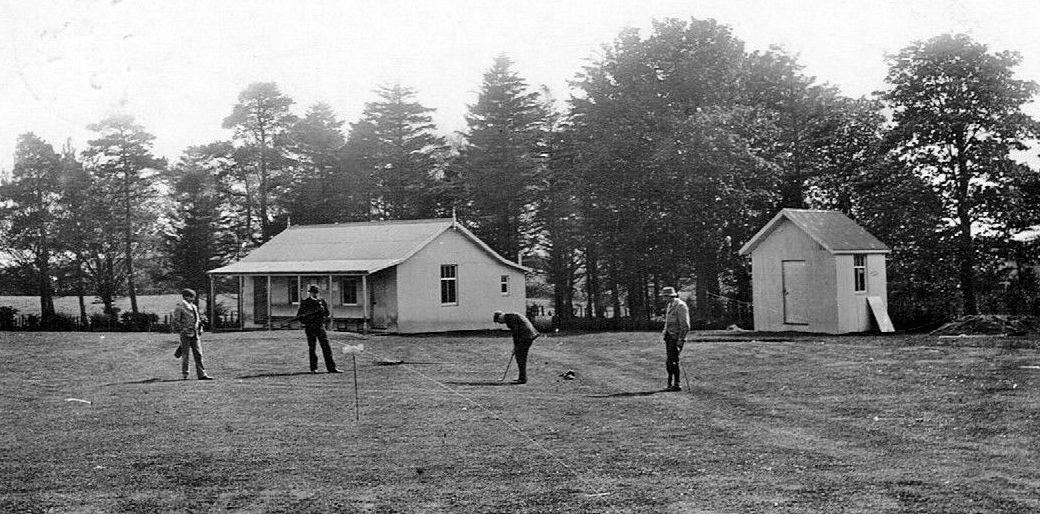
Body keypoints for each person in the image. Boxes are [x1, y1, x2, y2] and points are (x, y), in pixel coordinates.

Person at [171, 288, 213, 381]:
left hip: (195, 334)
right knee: (185, 355)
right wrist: (183, 329)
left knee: (198, 354)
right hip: (185, 334)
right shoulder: (180, 307)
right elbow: (176, 321)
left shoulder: (194, 307)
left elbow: (197, 319)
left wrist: (199, 327)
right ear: (186, 297)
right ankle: (185, 374)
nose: (193, 299)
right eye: (191, 297)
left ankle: (202, 374)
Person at [297, 284, 340, 374]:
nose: (315, 294)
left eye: (316, 292)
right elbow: (300, 316)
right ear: (310, 293)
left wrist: (321, 315)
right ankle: (314, 368)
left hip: (320, 327)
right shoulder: (305, 302)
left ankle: (331, 368)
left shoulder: (322, 301)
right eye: (313, 292)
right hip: (310, 328)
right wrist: (308, 320)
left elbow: (327, 313)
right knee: (312, 348)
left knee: (326, 347)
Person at [493, 310, 540, 384]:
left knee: (520, 357)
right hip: (528, 335)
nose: (501, 323)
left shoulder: (510, 318)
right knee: (520, 356)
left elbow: (516, 333)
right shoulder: (511, 316)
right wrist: (516, 346)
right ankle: (522, 377)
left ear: (499, 317)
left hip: (525, 337)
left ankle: (523, 378)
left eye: (499, 322)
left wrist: (516, 346)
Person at [660, 286, 690, 391]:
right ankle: (670, 383)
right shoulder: (669, 305)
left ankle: (677, 384)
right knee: (669, 361)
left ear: (670, 296)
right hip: (669, 336)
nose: (663, 298)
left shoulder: (681, 306)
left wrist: (680, 340)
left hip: (676, 337)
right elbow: (667, 322)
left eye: (665, 296)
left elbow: (685, 326)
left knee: (673, 361)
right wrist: (665, 333)